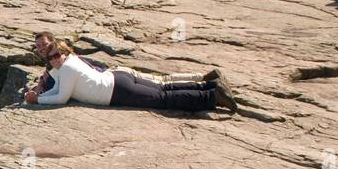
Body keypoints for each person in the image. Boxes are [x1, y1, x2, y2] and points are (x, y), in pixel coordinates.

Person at [26, 46, 234, 113]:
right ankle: (209, 84)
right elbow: (61, 89)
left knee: (162, 98)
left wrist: (38, 100)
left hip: (116, 91)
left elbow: (62, 97)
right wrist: (40, 95)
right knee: (163, 86)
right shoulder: (71, 61)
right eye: (49, 58)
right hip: (118, 78)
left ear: (63, 53)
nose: (53, 60)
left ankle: (212, 96)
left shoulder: (67, 68)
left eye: (55, 56)